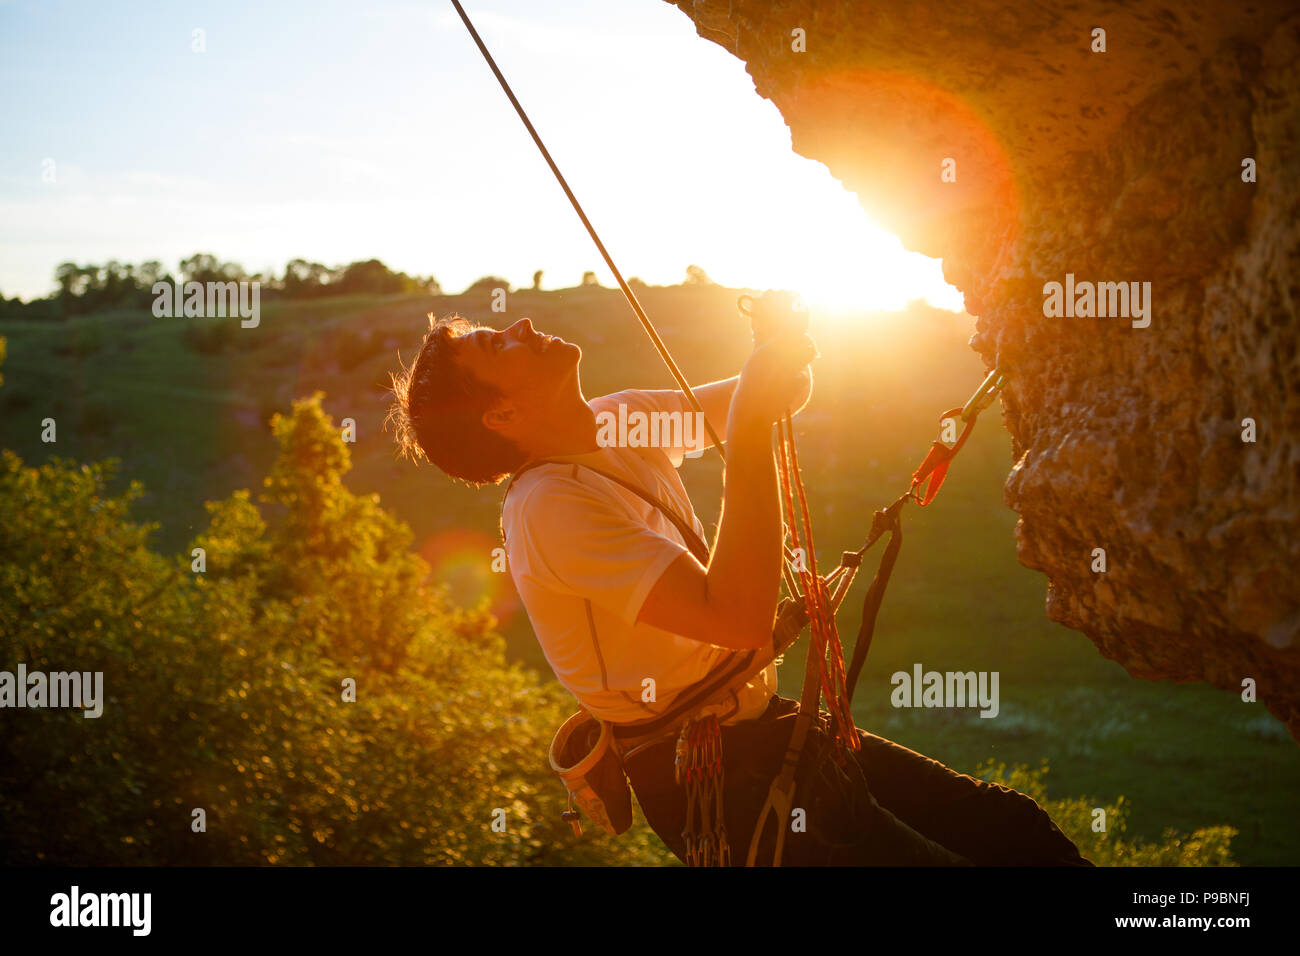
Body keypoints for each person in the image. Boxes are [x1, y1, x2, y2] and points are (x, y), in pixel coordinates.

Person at [387, 310, 1092, 866]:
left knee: (1010, 830)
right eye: (498, 346)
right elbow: (739, 615)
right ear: (502, 417)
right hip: (711, 781)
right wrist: (755, 409)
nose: (523, 326)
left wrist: (782, 350)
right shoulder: (547, 512)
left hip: (756, 729)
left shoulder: (619, 418)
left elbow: (771, 398)